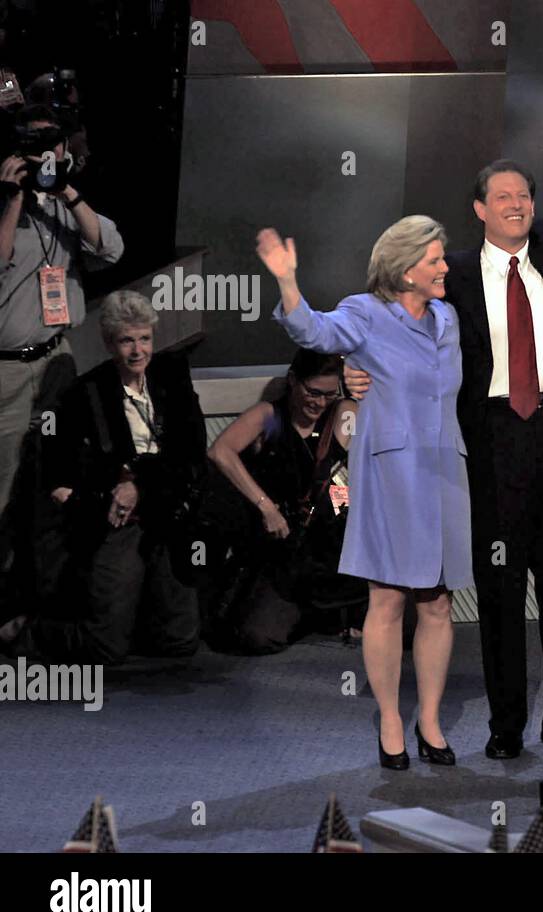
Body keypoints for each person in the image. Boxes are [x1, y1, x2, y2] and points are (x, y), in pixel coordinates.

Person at [345, 68, 543, 759]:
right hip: (487, 441)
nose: (517, 205)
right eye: (504, 197)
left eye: (524, 195)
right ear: (479, 209)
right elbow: (385, 321)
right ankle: (506, 727)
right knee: (499, 585)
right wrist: (354, 369)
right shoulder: (448, 274)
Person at [257, 216, 470, 770]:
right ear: (404, 270)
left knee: (439, 602)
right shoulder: (366, 313)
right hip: (392, 475)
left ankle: (429, 719)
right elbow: (314, 332)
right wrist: (286, 280)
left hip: (445, 468)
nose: (445, 267)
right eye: (435, 261)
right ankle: (392, 723)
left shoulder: (447, 316)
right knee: (389, 599)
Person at [25, 290, 204, 664]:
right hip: (118, 519)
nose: (137, 350)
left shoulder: (172, 375)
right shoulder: (87, 393)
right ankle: (29, 630)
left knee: (181, 640)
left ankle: (135, 617)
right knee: (105, 648)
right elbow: (60, 473)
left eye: (144, 339)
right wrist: (97, 495)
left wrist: (136, 479)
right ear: (110, 343)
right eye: (127, 340)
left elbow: (189, 452)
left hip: (168, 511)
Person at [0, 103, 123, 631]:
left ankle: (43, 606)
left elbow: (111, 249)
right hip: (5, 371)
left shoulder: (61, 207)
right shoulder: (7, 201)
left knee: (56, 483)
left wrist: (66, 190)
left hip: (57, 362)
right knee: (4, 491)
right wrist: (11, 198)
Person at [200, 348, 365, 655]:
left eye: (328, 394)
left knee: (404, 625)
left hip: (330, 545)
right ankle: (307, 615)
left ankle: (327, 611)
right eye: (312, 392)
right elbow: (219, 451)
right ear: (293, 381)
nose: (319, 402)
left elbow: (336, 468)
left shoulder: (341, 413)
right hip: (283, 549)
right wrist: (265, 506)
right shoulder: (271, 418)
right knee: (257, 637)